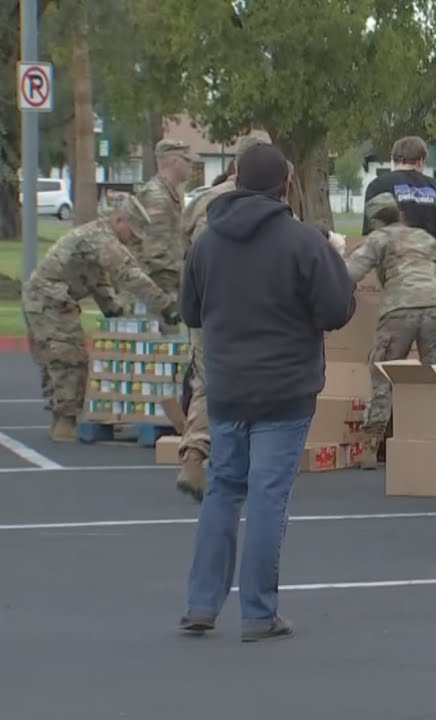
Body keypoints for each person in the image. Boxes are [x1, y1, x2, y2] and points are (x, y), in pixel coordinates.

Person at [178, 143, 356, 641]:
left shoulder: (207, 243)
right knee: (267, 496)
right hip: (285, 386)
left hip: (228, 385)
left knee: (223, 490)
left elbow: (191, 311)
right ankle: (258, 612)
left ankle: (201, 602)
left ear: (235, 179)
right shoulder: (303, 242)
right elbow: (337, 310)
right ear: (285, 185)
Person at [22, 195, 180, 441]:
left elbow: (99, 283)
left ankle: (62, 420)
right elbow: (130, 275)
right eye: (132, 231)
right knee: (69, 358)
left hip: (48, 300)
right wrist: (166, 305)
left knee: (58, 359)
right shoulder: (102, 239)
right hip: (50, 301)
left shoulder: (95, 238)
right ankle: (65, 423)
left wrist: (116, 313)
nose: (133, 239)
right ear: (119, 220)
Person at [174, 135, 267, 502]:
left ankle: (195, 455)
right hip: (249, 303)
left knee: (206, 378)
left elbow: (184, 249)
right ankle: (243, 460)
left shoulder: (200, 201)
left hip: (204, 298)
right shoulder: (261, 199)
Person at [347, 192, 436, 469]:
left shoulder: (378, 238)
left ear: (375, 220)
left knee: (382, 375)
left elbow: (350, 272)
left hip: (398, 310)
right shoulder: (425, 238)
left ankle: (371, 448)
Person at [132, 139, 200, 299]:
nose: (191, 166)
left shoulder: (168, 194)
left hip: (164, 286)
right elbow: (156, 254)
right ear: (174, 161)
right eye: (187, 160)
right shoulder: (157, 197)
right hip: (157, 289)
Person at [361, 135, 436, 245]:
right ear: (421, 160)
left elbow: (369, 233)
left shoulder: (378, 185)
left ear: (394, 159)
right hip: (429, 257)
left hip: (391, 258)